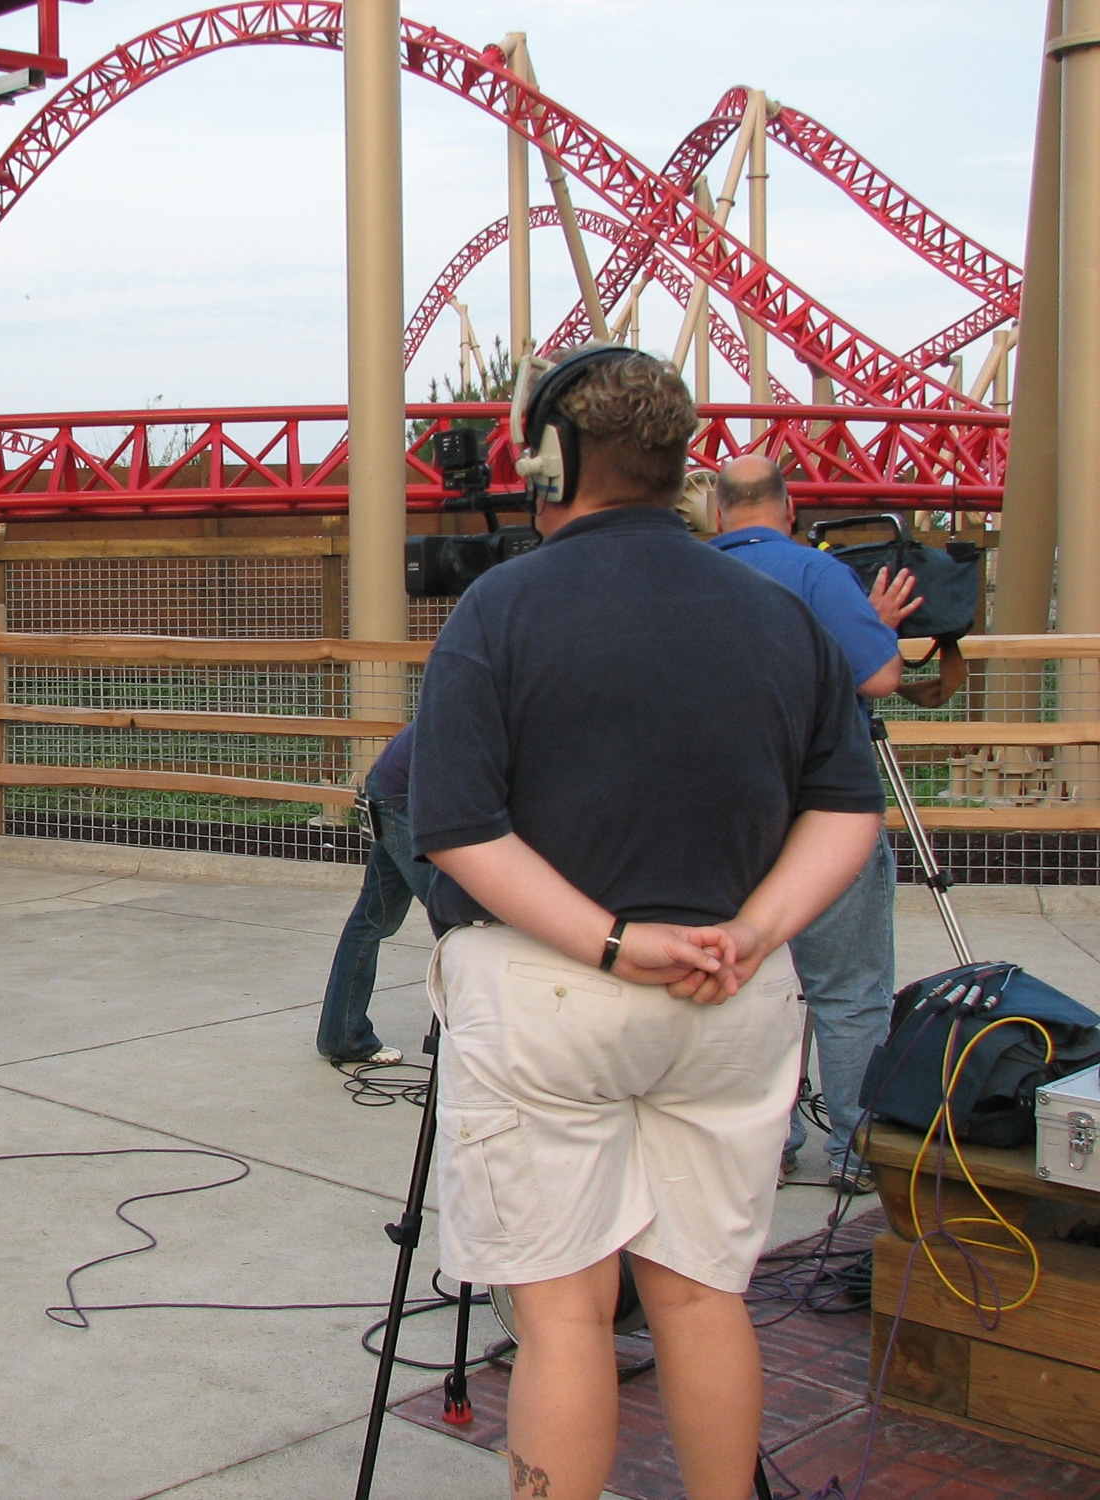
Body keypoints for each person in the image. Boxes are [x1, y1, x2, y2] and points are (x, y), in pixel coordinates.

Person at [409, 346, 882, 1500]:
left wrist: (613, 943)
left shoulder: (499, 607)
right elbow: (844, 809)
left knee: (566, 1311)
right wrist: (753, 931)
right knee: (700, 1292)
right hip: (730, 996)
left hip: (554, 996)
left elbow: (459, 826)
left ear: (549, 463)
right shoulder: (777, 613)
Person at [712, 456, 921, 1195]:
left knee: (743, 979)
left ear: (717, 513)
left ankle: (768, 1140)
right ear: (790, 509)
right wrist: (878, 630)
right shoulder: (817, 574)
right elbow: (880, 678)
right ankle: (857, 1150)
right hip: (823, 809)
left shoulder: (695, 572)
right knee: (849, 989)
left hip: (727, 813)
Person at [316, 723, 428, 1065]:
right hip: (404, 795)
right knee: (461, 920)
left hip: (392, 784)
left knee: (372, 918)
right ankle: (486, 1046)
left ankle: (343, 1036)